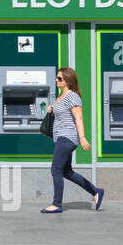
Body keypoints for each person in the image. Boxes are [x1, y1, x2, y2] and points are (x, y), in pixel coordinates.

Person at [42, 66, 104, 213]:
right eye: (57, 78)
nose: (57, 81)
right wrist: (51, 108)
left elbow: (78, 117)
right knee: (66, 171)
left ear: (68, 81)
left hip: (68, 137)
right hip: (61, 137)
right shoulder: (61, 97)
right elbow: (62, 112)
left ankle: (57, 204)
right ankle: (96, 192)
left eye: (60, 79)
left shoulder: (72, 96)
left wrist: (82, 138)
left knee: (56, 169)